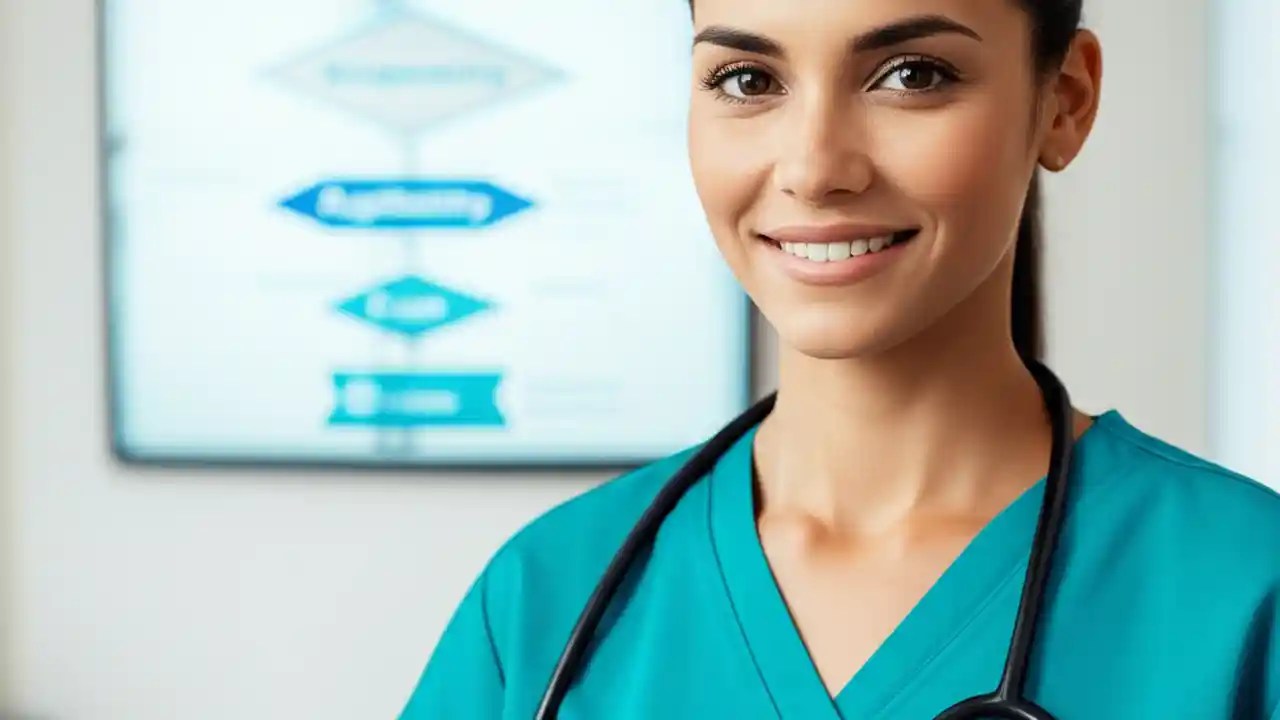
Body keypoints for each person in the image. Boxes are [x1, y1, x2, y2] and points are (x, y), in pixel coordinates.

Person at [399, 0, 1280, 717]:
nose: (815, 168)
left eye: (913, 75)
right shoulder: (547, 596)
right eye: (748, 79)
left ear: (1066, 101)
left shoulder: (1246, 587)